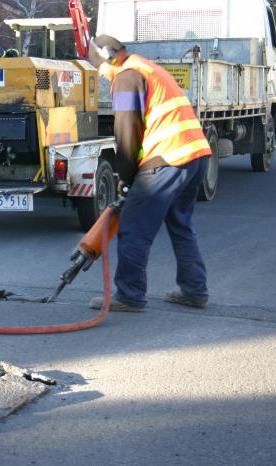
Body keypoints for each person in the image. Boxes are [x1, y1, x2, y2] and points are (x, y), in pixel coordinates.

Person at [88, 35, 211, 312]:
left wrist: (126, 176)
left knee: (133, 229)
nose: (104, 76)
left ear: (108, 59)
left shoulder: (127, 76)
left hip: (166, 158)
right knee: (181, 226)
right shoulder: (146, 67)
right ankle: (194, 290)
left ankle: (129, 295)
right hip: (194, 156)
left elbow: (126, 132)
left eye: (101, 70)